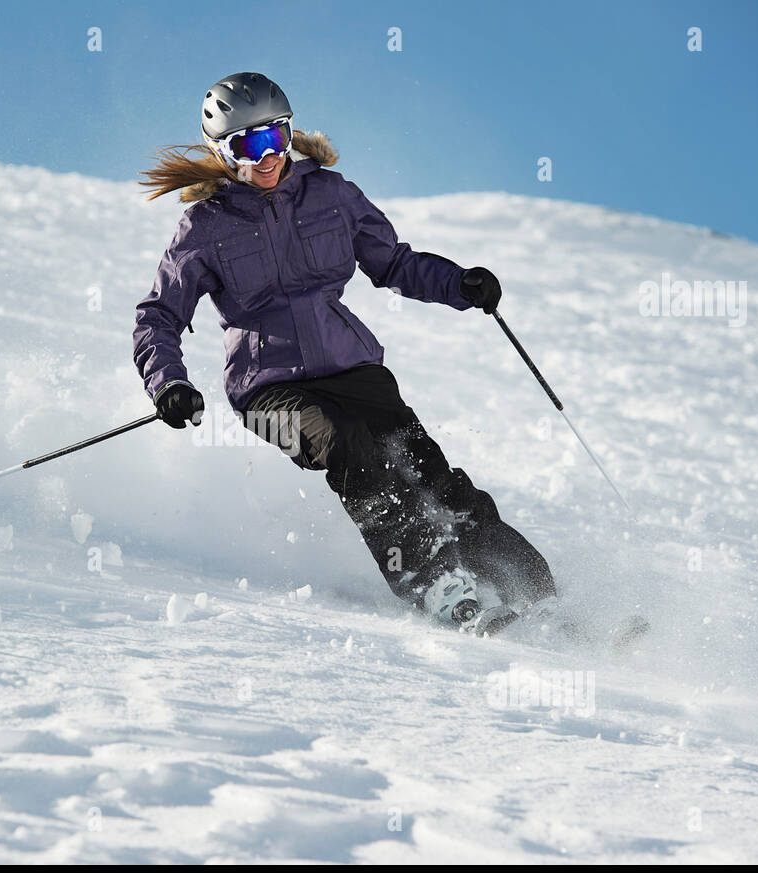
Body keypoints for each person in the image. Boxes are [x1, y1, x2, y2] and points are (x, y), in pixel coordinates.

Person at [133, 71, 556, 630]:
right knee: (349, 447)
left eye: (275, 138)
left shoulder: (331, 195)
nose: (267, 156)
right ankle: (438, 586)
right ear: (223, 151)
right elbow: (158, 316)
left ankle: (537, 591)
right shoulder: (204, 228)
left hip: (353, 368)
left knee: (429, 472)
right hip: (268, 392)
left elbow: (395, 264)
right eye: (248, 145)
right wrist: (168, 384)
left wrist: (461, 284)